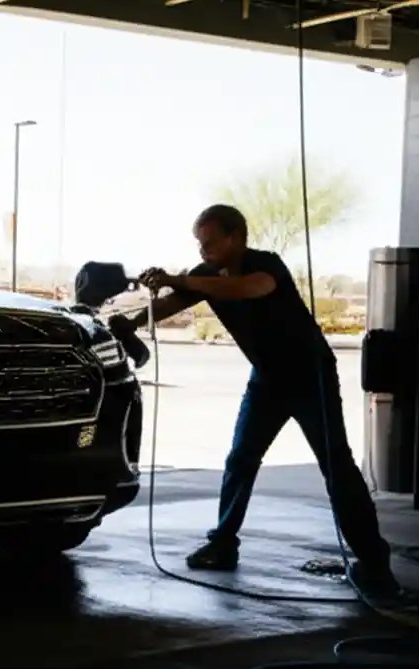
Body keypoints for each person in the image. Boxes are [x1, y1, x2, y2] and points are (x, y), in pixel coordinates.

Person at [108, 204, 399, 597]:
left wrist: (181, 279)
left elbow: (247, 289)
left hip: (309, 375)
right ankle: (223, 543)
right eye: (199, 244)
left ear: (236, 237)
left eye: (210, 243)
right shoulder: (204, 276)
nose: (203, 251)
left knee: (337, 464)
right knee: (240, 458)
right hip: (267, 379)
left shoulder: (265, 266)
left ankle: (373, 559)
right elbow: (172, 304)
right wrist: (130, 321)